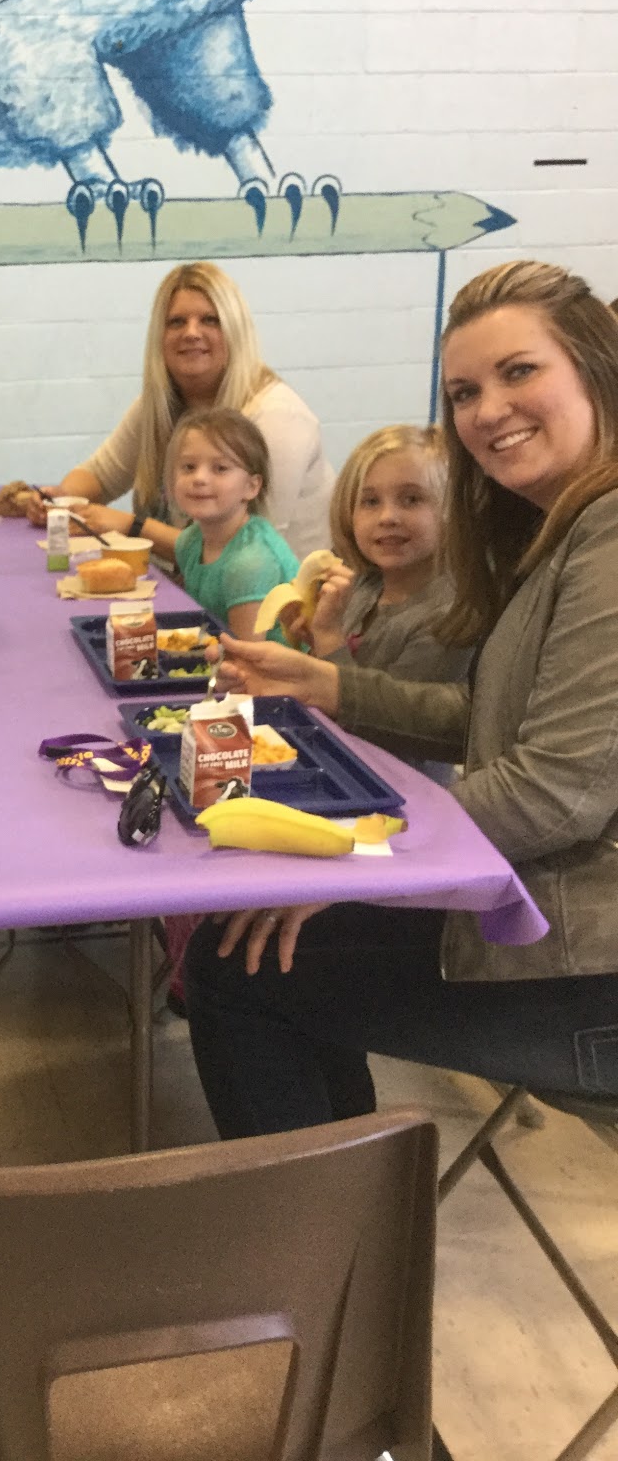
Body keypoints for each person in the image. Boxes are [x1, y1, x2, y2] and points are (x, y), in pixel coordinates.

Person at [180, 260, 618, 1139]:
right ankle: (345, 1211)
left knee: (237, 968)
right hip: (549, 914)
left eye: (519, 372)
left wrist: (355, 857)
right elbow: (497, 723)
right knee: (260, 942)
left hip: (587, 970)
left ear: (596, 370)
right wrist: (333, 684)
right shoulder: (564, 529)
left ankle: (318, 1252)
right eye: (464, 391)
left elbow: (558, 787)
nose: (488, 410)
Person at [28, 263, 334, 560]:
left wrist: (132, 527)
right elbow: (101, 475)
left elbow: (241, 551)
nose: (191, 333)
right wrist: (61, 500)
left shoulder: (277, 418)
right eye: (176, 322)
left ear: (235, 331)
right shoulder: (158, 407)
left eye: (210, 320)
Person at [303, 423, 472, 783]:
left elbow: (387, 730)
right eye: (370, 501)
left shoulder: (448, 615)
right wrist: (307, 635)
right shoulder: (364, 584)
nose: (387, 517)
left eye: (412, 499)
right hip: (337, 767)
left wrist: (329, 636)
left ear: (450, 511)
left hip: (402, 791)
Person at [168, 408, 299, 640]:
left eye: (220, 468)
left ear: (251, 487)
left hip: (279, 672)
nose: (199, 478)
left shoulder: (250, 563)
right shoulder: (189, 542)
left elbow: (248, 657)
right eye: (189, 467)